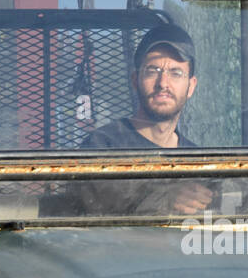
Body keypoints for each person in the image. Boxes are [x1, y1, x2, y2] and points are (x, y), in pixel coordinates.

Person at [80, 23, 215, 215]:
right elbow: (93, 209)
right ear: (135, 80)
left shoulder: (200, 163)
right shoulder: (101, 146)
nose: (163, 84)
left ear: (191, 86)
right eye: (153, 71)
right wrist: (166, 200)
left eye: (176, 73)